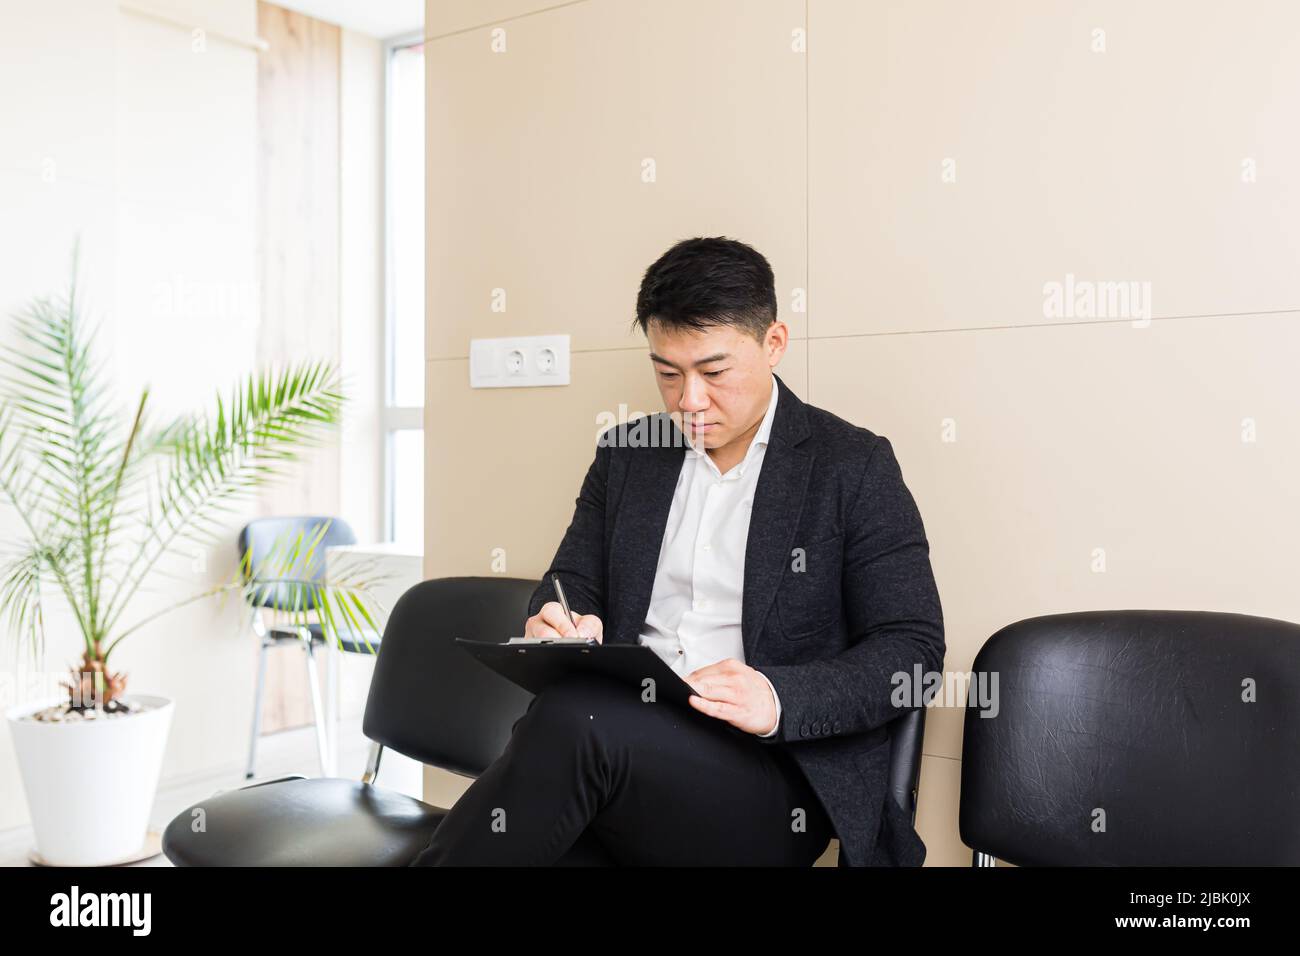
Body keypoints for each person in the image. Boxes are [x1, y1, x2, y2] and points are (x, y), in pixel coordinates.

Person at [410, 236, 945, 866]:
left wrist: (775, 696)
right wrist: (559, 615)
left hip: (772, 775)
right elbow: (569, 579)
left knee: (570, 723)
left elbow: (912, 648)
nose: (688, 401)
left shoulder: (852, 465)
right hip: (624, 744)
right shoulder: (628, 455)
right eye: (667, 373)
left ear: (774, 343)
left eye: (713, 372)